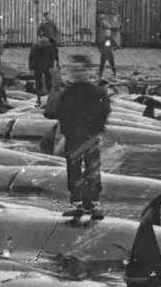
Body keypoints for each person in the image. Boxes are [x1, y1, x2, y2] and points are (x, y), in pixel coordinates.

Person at [43, 54, 110, 221]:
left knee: (92, 172)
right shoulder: (66, 92)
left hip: (88, 137)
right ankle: (78, 204)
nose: (77, 73)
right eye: (73, 70)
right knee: (74, 172)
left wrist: (94, 130)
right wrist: (56, 89)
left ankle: (93, 204)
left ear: (88, 72)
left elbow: (104, 113)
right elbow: (50, 112)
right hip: (73, 137)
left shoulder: (97, 92)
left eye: (81, 69)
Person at [29, 34, 58, 106]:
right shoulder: (49, 46)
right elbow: (52, 57)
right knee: (49, 83)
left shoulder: (36, 46)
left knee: (39, 83)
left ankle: (39, 100)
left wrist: (31, 67)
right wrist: (52, 66)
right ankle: (49, 99)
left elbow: (31, 57)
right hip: (47, 66)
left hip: (37, 66)